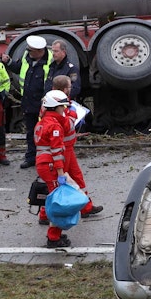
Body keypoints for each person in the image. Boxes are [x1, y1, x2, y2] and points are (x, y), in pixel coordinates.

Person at [37, 75, 102, 225]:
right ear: (64, 89)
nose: (71, 89)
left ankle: (86, 207)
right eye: (69, 87)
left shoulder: (58, 103)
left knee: (77, 177)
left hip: (67, 148)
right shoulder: (56, 106)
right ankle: (46, 215)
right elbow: (66, 125)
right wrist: (72, 114)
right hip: (61, 149)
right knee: (56, 186)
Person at [35, 90, 74, 247]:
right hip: (50, 165)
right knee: (58, 202)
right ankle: (53, 237)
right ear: (55, 107)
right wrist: (60, 173)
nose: (64, 109)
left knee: (52, 198)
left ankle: (52, 229)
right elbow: (57, 153)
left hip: (43, 164)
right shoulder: (54, 126)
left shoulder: (42, 122)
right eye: (62, 106)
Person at [11, 35, 52, 168]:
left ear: (40, 51)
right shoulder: (27, 57)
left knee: (45, 133)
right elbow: (19, 68)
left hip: (43, 104)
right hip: (28, 102)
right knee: (31, 132)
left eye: (30, 50)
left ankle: (46, 158)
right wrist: (9, 63)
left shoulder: (50, 61)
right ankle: (31, 158)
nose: (28, 52)